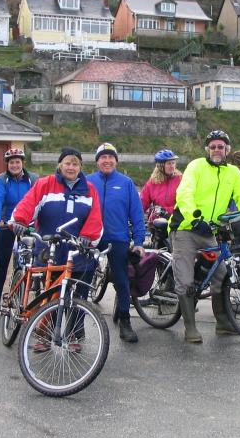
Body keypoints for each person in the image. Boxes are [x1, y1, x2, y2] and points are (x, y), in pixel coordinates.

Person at [169, 130, 240, 343]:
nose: (217, 150)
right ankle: (190, 327)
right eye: (213, 146)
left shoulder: (233, 172)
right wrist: (195, 217)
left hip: (210, 230)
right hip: (187, 227)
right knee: (186, 279)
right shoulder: (196, 166)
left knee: (221, 275)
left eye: (221, 146)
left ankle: (224, 323)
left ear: (227, 150)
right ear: (208, 149)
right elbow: (184, 192)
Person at [10, 146, 102, 308]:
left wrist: (88, 236)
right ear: (60, 165)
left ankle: (76, 333)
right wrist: (20, 221)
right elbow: (28, 204)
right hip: (49, 251)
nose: (71, 167)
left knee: (77, 302)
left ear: (80, 167)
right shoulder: (45, 184)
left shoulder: (90, 190)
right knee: (49, 300)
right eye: (67, 163)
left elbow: (96, 218)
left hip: (77, 254)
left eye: (75, 164)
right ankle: (46, 330)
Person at [87, 143, 146, 343]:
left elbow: (137, 214)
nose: (107, 160)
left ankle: (125, 321)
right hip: (92, 237)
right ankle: (76, 325)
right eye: (103, 157)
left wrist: (138, 241)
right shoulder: (87, 182)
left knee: (122, 281)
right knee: (83, 279)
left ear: (116, 161)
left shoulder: (126, 182)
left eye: (111, 157)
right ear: (97, 161)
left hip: (118, 237)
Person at [0, 148, 38, 316]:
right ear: (7, 165)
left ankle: (23, 298)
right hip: (7, 224)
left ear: (23, 163)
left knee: (29, 262)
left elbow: (39, 200)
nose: (15, 165)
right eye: (11, 162)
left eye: (18, 162)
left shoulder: (33, 179)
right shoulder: (2, 180)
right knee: (2, 261)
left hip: (27, 224)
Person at [139, 149, 182, 219]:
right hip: (156, 222)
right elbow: (142, 203)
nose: (172, 166)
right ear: (160, 166)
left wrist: (166, 211)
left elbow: (184, 203)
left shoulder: (180, 180)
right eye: (169, 163)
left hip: (176, 221)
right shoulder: (152, 182)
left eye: (173, 163)